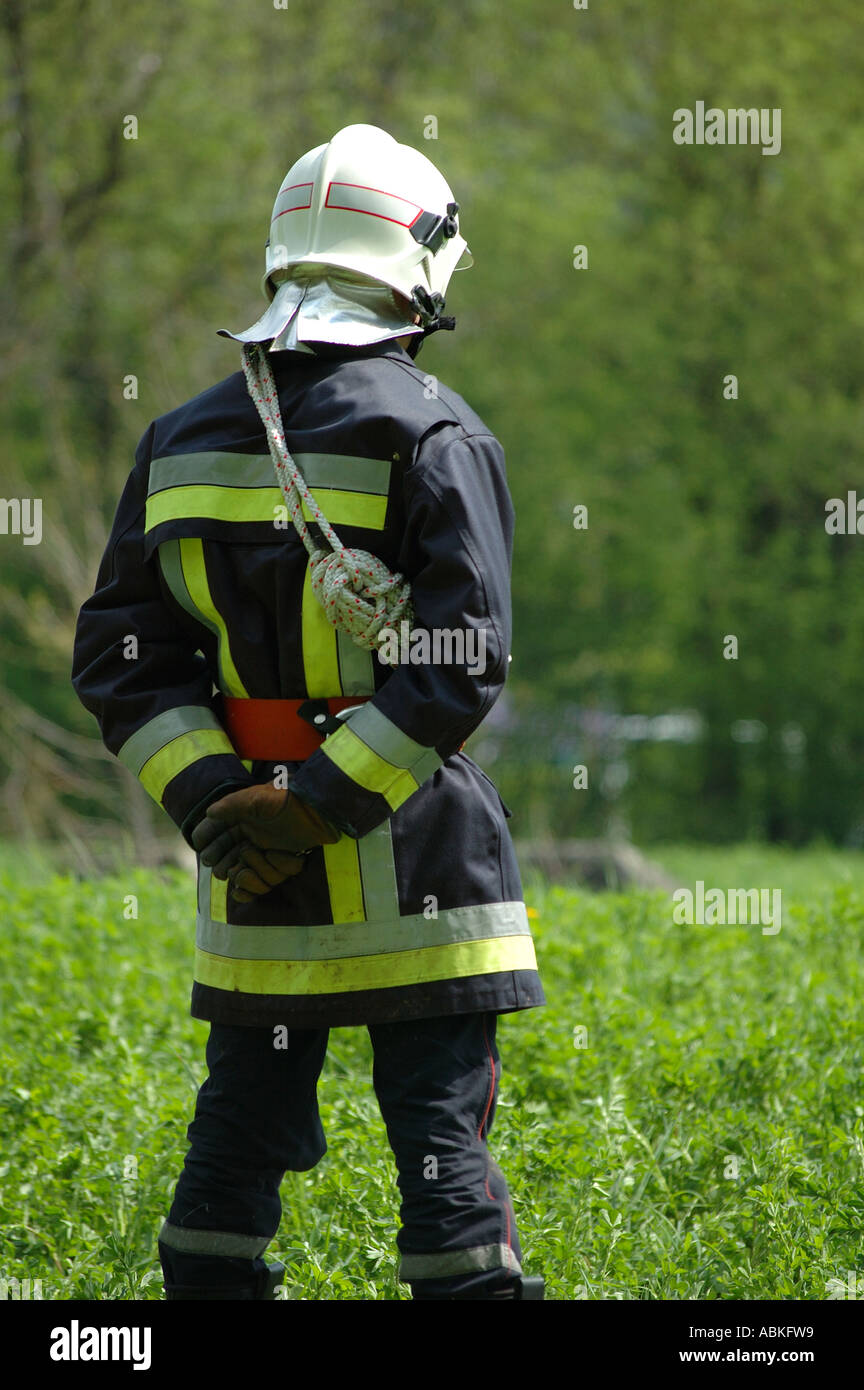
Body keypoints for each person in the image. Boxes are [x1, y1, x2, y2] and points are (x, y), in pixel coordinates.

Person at [71, 124, 546, 1301]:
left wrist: (223, 805)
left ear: (286, 252)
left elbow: (122, 656)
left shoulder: (177, 438)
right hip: (417, 864)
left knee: (238, 1131)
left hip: (251, 877)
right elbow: (459, 662)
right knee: (441, 1145)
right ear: (420, 261)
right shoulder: (433, 426)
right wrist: (319, 807)